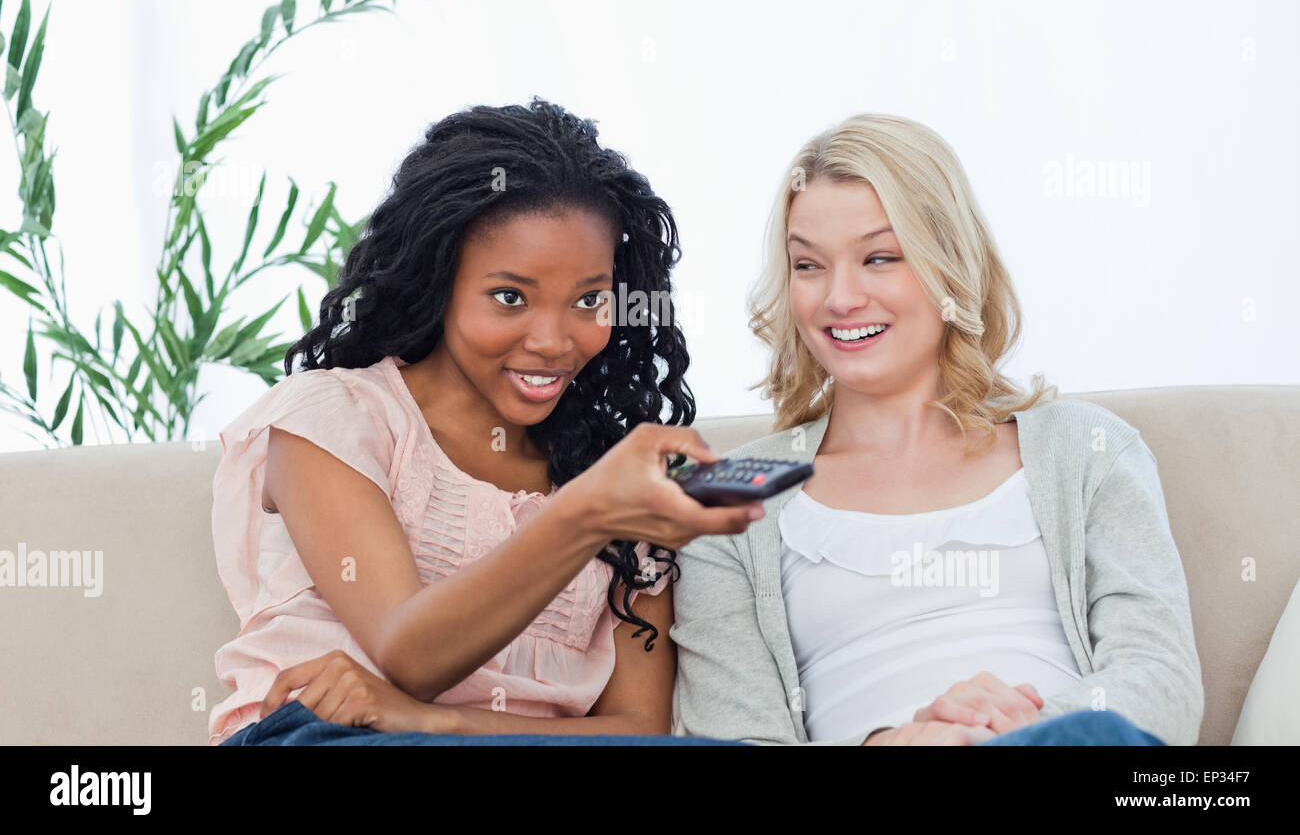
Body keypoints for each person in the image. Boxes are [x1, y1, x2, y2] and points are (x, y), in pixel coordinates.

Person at [209, 98, 757, 746]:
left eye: (589, 299)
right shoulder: (338, 417)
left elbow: (637, 730)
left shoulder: (615, 476)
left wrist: (436, 719)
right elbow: (409, 653)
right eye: (510, 297)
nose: (554, 340)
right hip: (327, 734)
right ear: (436, 282)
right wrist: (588, 514)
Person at [669, 113, 1204, 746]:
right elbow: (733, 738)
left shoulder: (1086, 448)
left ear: (949, 263)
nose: (840, 298)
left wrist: (1019, 728)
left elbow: (1161, 677)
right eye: (808, 266)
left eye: (879, 257)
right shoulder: (727, 497)